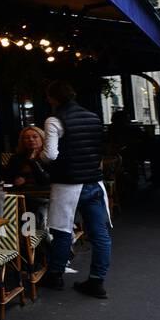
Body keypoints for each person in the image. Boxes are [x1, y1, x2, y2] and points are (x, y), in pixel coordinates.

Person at [43, 81, 110, 298]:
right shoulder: (93, 117)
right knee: (100, 236)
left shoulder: (54, 120)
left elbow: (51, 155)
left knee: (62, 232)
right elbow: (99, 151)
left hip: (67, 185)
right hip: (94, 183)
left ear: (52, 98)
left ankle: (55, 276)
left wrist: (40, 157)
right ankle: (96, 281)